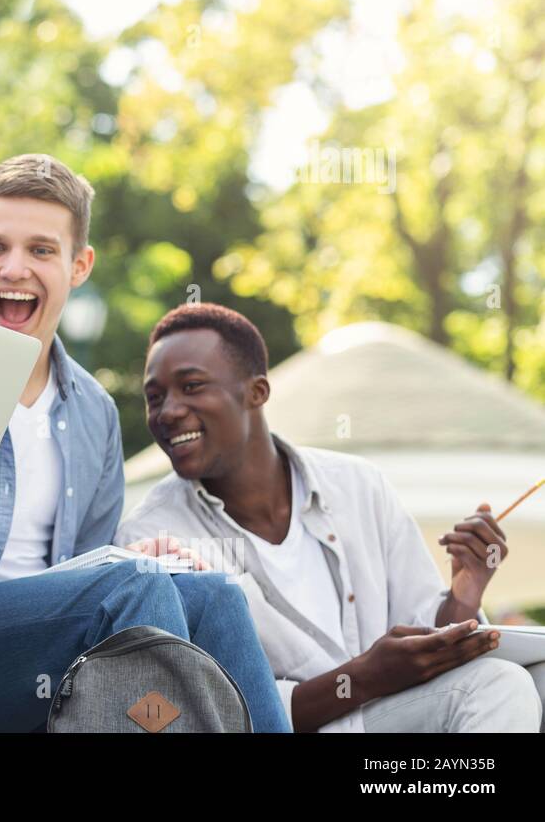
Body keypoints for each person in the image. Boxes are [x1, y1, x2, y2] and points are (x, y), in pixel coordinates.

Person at [0, 154, 290, 732]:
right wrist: (119, 577)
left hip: (57, 649)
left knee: (214, 595)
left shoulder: (93, 410)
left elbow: (83, 570)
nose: (14, 269)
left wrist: (125, 560)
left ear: (79, 265)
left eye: (41, 250)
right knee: (133, 590)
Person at [115, 302, 545, 732]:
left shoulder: (359, 486)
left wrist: (465, 594)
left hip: (390, 725)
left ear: (256, 392)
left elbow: (431, 648)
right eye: (155, 398)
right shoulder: (151, 536)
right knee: (498, 684)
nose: (168, 411)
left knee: (533, 677)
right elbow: (185, 710)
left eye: (191, 386)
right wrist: (359, 679)